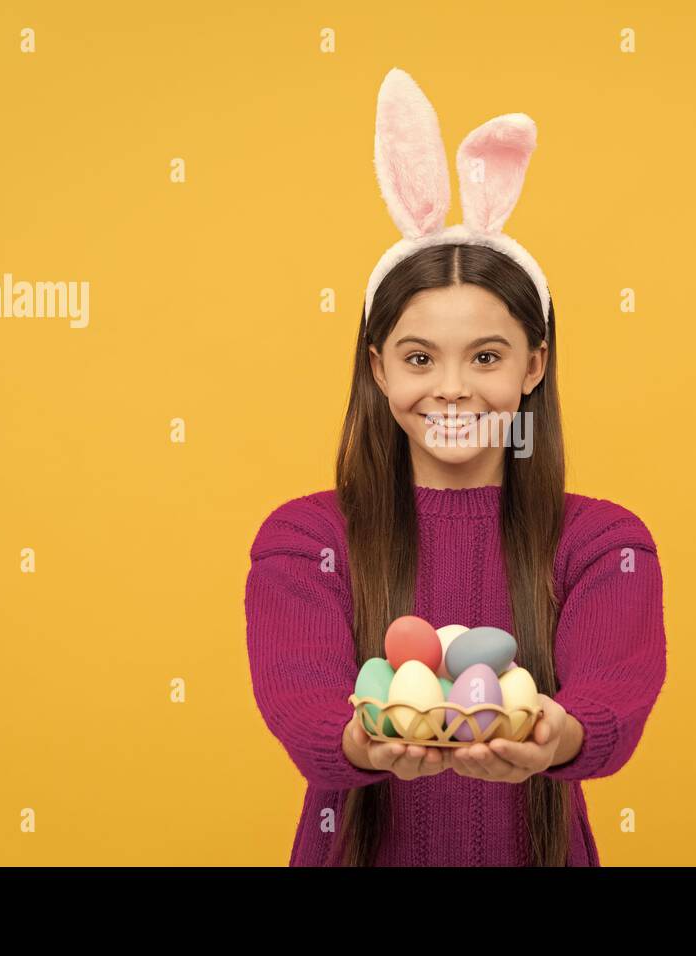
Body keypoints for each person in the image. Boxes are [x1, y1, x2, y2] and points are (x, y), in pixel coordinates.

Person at [243, 68, 666, 866]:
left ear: (534, 366)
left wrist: (554, 733)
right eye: (418, 356)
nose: (452, 388)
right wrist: (367, 744)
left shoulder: (603, 540)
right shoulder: (305, 537)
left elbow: (614, 696)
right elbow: (301, 703)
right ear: (377, 368)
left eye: (486, 356)